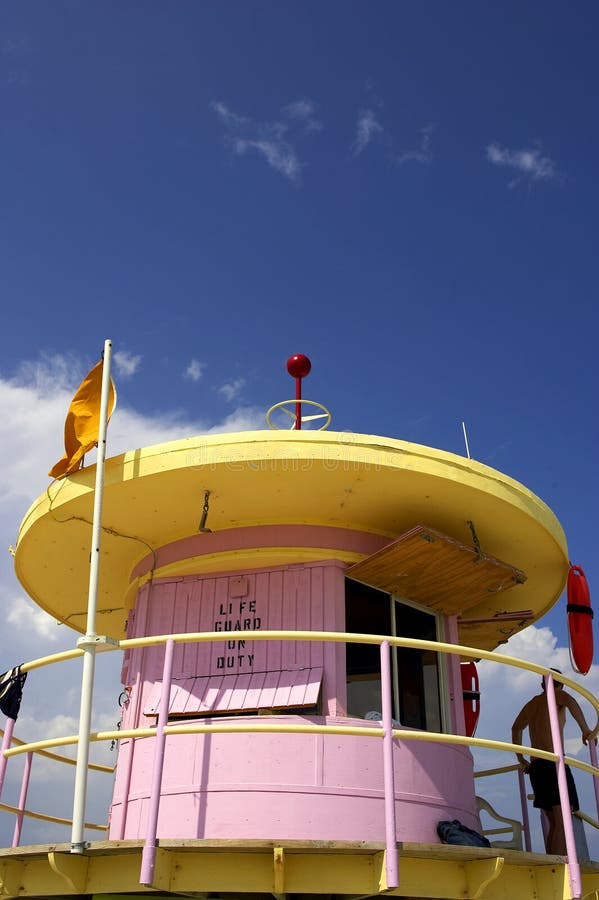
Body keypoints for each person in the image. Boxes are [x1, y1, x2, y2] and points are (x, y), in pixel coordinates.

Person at [511, 670, 594, 855]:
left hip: (537, 767)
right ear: (561, 684)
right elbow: (572, 703)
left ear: (542, 684)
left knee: (555, 822)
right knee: (563, 820)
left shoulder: (532, 704)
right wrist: (585, 729)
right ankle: (561, 864)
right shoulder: (556, 695)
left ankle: (552, 861)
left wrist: (522, 759)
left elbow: (516, 728)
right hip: (552, 763)